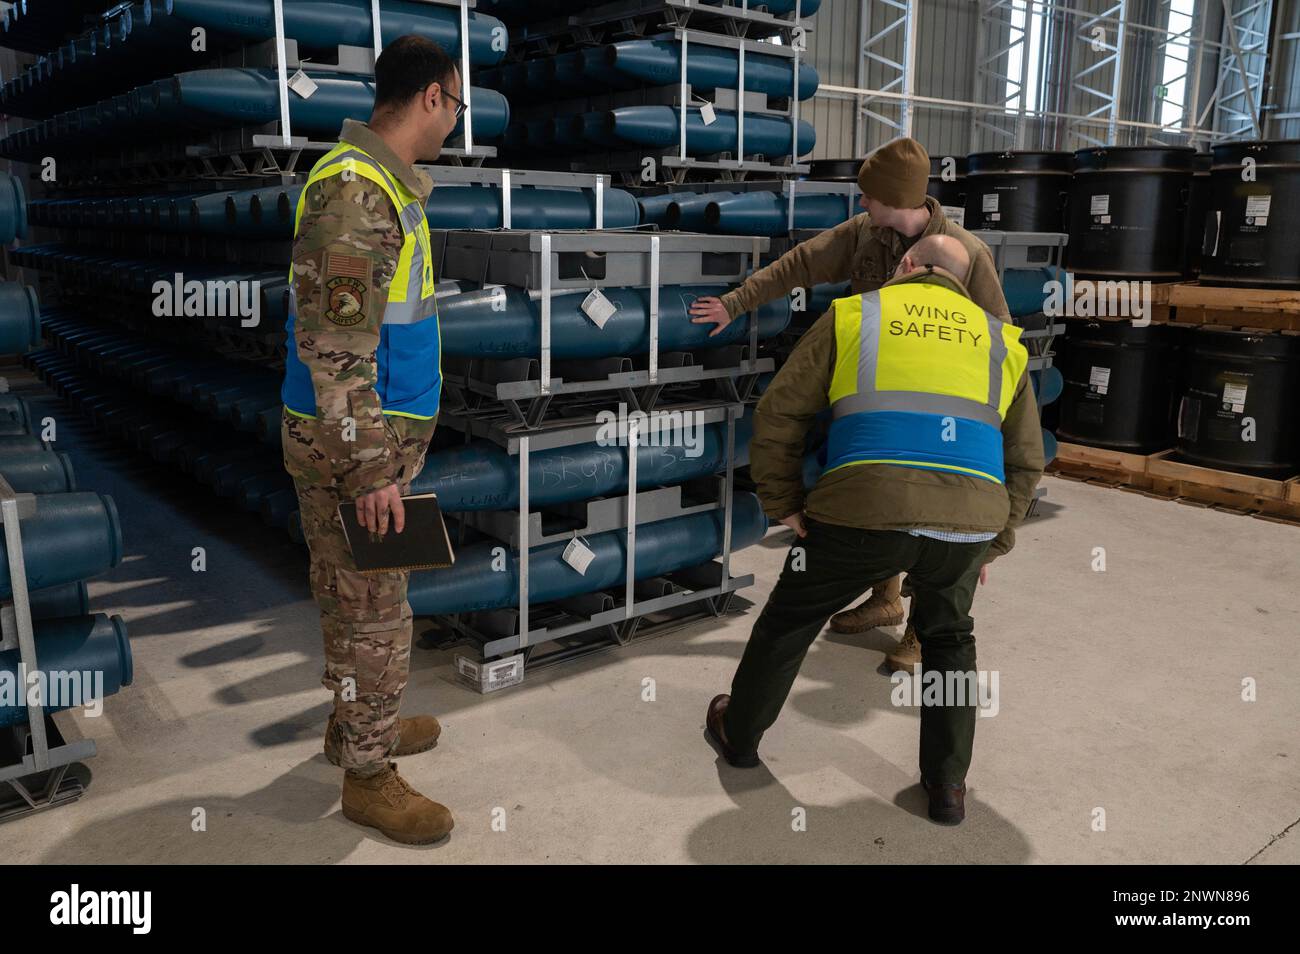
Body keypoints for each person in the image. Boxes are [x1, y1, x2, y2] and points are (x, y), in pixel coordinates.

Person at [704, 235, 1044, 825]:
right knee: (949, 640)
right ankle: (947, 787)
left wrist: (783, 502)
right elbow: (1026, 460)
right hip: (966, 521)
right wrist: (995, 538)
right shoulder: (1001, 339)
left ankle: (741, 736)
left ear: (906, 265)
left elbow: (780, 411)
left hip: (859, 512)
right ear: (964, 281)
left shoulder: (854, 315)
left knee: (791, 620)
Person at [690, 138, 1010, 673]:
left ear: (896, 199)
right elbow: (801, 264)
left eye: (869, 196)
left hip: (939, 414)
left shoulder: (964, 254)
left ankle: (921, 631)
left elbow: (999, 342)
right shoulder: (865, 233)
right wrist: (735, 303)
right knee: (881, 496)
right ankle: (886, 599)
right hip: (873, 406)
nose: (861, 203)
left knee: (934, 512)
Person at [279, 36, 466, 846]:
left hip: (367, 439)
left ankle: (357, 723)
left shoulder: (385, 185)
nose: (454, 121)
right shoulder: (357, 193)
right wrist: (369, 473)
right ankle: (367, 775)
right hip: (355, 448)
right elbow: (335, 348)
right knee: (375, 615)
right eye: (455, 105)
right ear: (431, 97)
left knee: (350, 596)